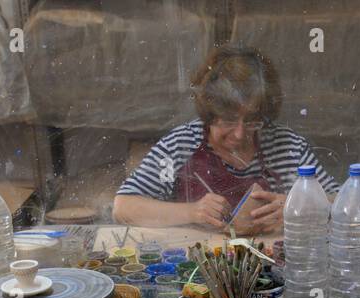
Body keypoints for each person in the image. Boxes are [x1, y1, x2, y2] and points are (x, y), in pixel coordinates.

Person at [113, 45, 338, 235]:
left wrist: (296, 207)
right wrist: (192, 211)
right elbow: (123, 206)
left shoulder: (286, 145)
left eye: (252, 120)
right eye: (228, 120)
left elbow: (340, 201)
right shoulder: (181, 144)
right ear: (209, 113)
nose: (240, 134)